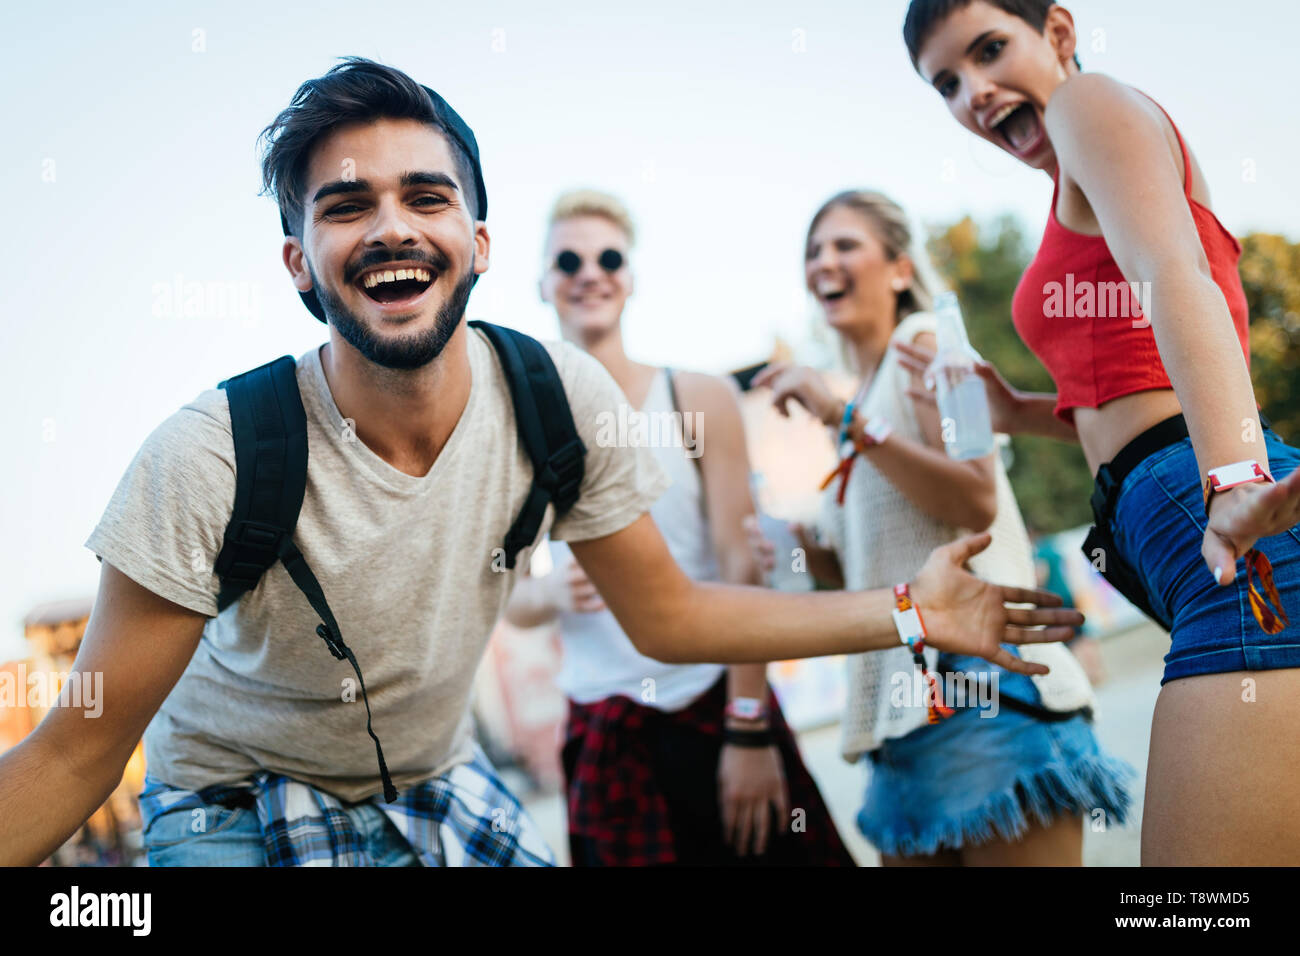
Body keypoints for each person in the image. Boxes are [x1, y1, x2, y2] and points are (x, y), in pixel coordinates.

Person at [0, 58, 1084, 868]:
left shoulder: (555, 399)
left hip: (432, 784)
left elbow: (676, 615)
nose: (390, 228)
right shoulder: (207, 454)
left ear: (476, 240)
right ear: (298, 262)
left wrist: (908, 608)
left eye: (425, 196)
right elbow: (71, 755)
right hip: (235, 799)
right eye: (346, 206)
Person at [900, 0, 1300, 864]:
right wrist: (1015, 411)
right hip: (1196, 534)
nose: (974, 90)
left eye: (989, 49)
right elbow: (1133, 386)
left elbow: (1173, 275)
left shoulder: (1090, 105)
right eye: (946, 82)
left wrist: (1234, 478)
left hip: (1233, 540)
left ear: (1060, 31)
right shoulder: (1073, 183)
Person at [747, 190, 1131, 865]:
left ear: (899, 268)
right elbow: (881, 568)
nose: (822, 263)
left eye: (844, 245)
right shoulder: (859, 395)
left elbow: (976, 498)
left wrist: (846, 421)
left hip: (983, 692)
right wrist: (803, 547)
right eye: (812, 251)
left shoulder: (922, 346)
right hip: (901, 715)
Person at [504, 190, 855, 866]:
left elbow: (740, 564)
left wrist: (748, 728)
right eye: (567, 260)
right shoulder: (522, 426)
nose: (589, 273)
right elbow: (508, 597)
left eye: (609, 257)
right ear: (543, 284)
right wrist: (549, 595)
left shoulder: (697, 397)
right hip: (606, 727)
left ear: (630, 277)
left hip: (716, 700)